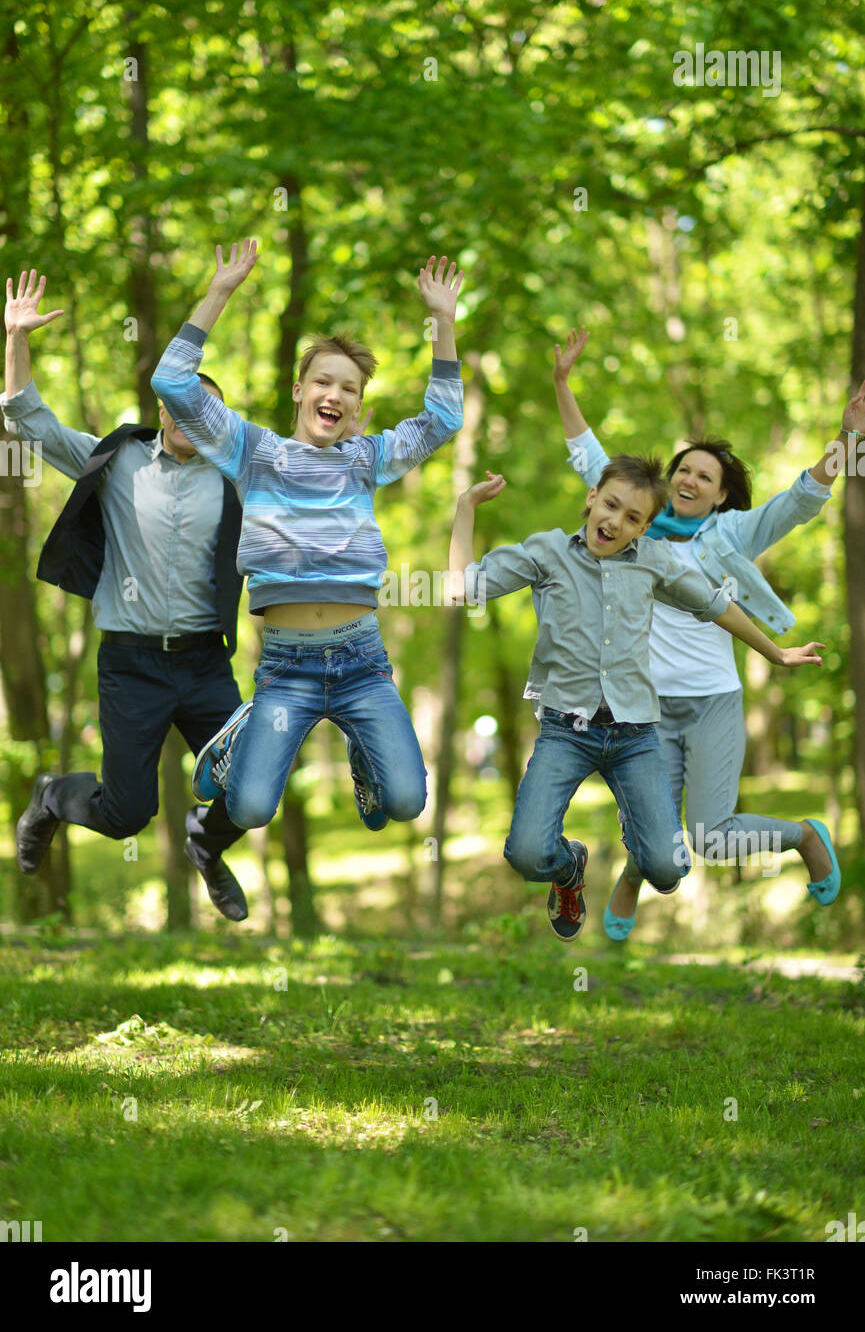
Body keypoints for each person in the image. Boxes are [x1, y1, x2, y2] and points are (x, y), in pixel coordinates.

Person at [150, 240, 463, 834]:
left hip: (362, 660)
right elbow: (172, 380)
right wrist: (219, 292)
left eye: (349, 390)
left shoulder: (366, 460)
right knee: (246, 810)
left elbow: (444, 420)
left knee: (405, 802)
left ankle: (366, 763)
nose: (334, 396)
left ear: (358, 408)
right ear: (299, 392)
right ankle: (242, 729)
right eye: (324, 382)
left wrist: (443, 321)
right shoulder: (253, 452)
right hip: (286, 667)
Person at [553, 327, 854, 938]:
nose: (689, 480)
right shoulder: (634, 527)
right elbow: (588, 454)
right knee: (651, 829)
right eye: (683, 470)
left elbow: (800, 499)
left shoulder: (733, 535)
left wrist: (848, 440)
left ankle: (802, 837)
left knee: (712, 841)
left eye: (704, 478)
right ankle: (635, 874)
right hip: (649, 707)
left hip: (714, 701)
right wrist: (562, 382)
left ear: (720, 498)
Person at [449, 457, 825, 943]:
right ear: (592, 498)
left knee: (667, 871)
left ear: (646, 527)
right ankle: (570, 869)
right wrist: (466, 507)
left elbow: (715, 605)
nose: (614, 521)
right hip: (567, 731)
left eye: (632, 518)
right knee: (525, 853)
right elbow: (462, 587)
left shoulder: (654, 560)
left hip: (635, 736)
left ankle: (646, 843)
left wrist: (774, 653)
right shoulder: (547, 553)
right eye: (610, 505)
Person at [3, 269, 250, 921]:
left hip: (204, 664)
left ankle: (207, 844)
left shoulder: (237, 482)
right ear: (162, 405)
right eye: (179, 400)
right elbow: (30, 419)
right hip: (133, 665)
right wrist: (16, 339)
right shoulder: (115, 461)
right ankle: (54, 797)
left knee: (252, 784)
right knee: (126, 815)